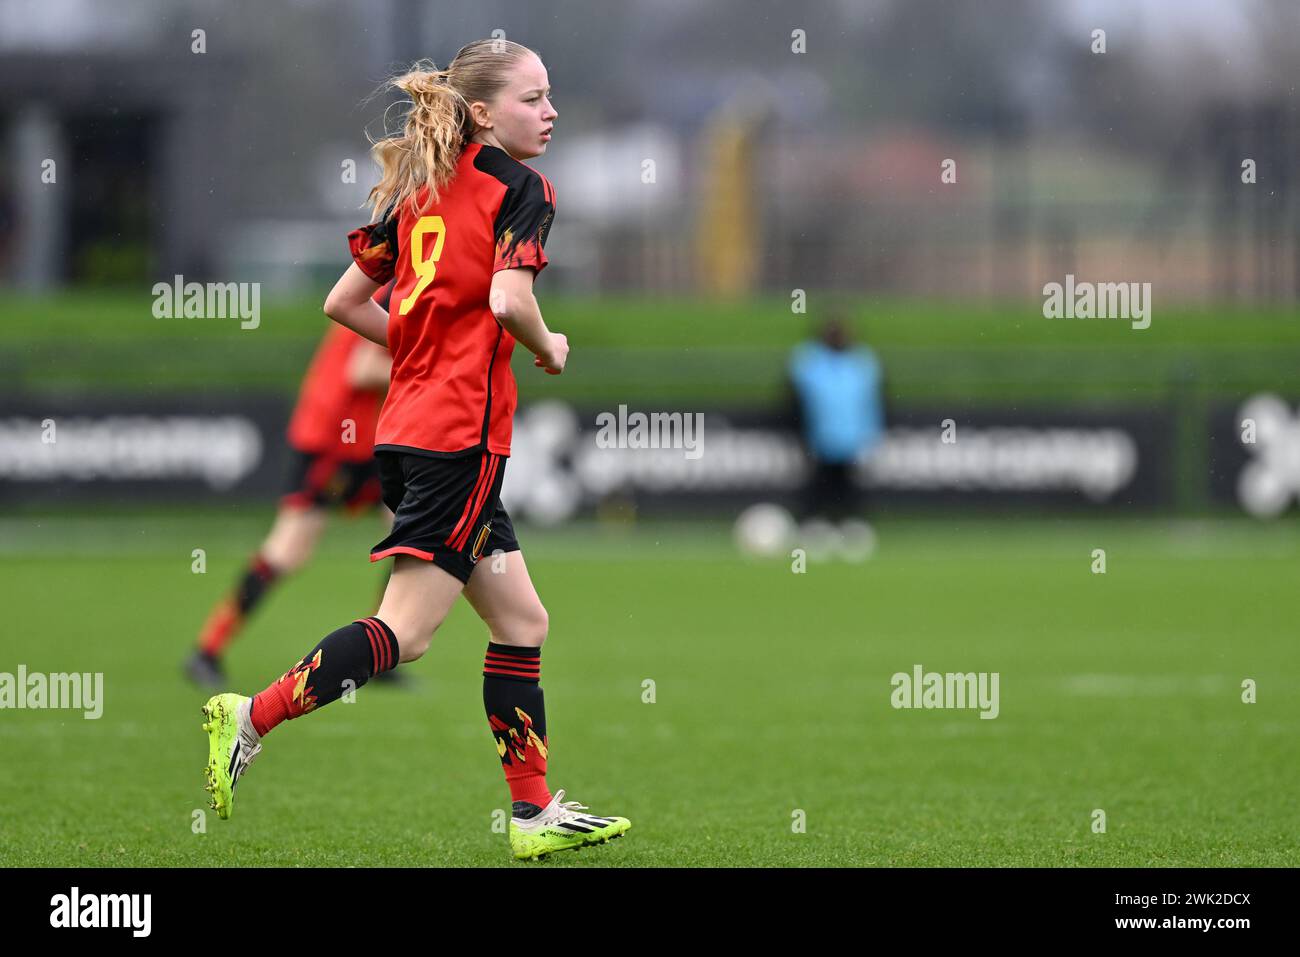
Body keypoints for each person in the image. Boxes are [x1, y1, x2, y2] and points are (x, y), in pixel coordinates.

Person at [199, 39, 631, 861]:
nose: (550, 112)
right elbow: (509, 299)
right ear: (482, 113)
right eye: (533, 98)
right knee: (408, 631)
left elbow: (342, 301)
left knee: (522, 620)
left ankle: (534, 812)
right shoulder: (523, 189)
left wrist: (425, 345)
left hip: (408, 430)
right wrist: (550, 344)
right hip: (459, 439)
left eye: (550, 97)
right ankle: (249, 714)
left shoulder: (422, 187)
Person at [184, 283, 396, 689]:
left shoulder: (410, 280)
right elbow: (363, 368)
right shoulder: (396, 288)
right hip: (333, 439)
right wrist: (439, 368)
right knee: (289, 549)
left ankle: (383, 653)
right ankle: (206, 650)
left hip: (369, 439)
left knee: (408, 529)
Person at [788, 314, 885, 524]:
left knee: (849, 487)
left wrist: (870, 435)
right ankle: (815, 524)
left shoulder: (862, 364)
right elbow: (796, 401)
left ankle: (850, 525)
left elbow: (872, 403)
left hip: (851, 439)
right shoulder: (809, 363)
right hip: (819, 439)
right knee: (818, 486)